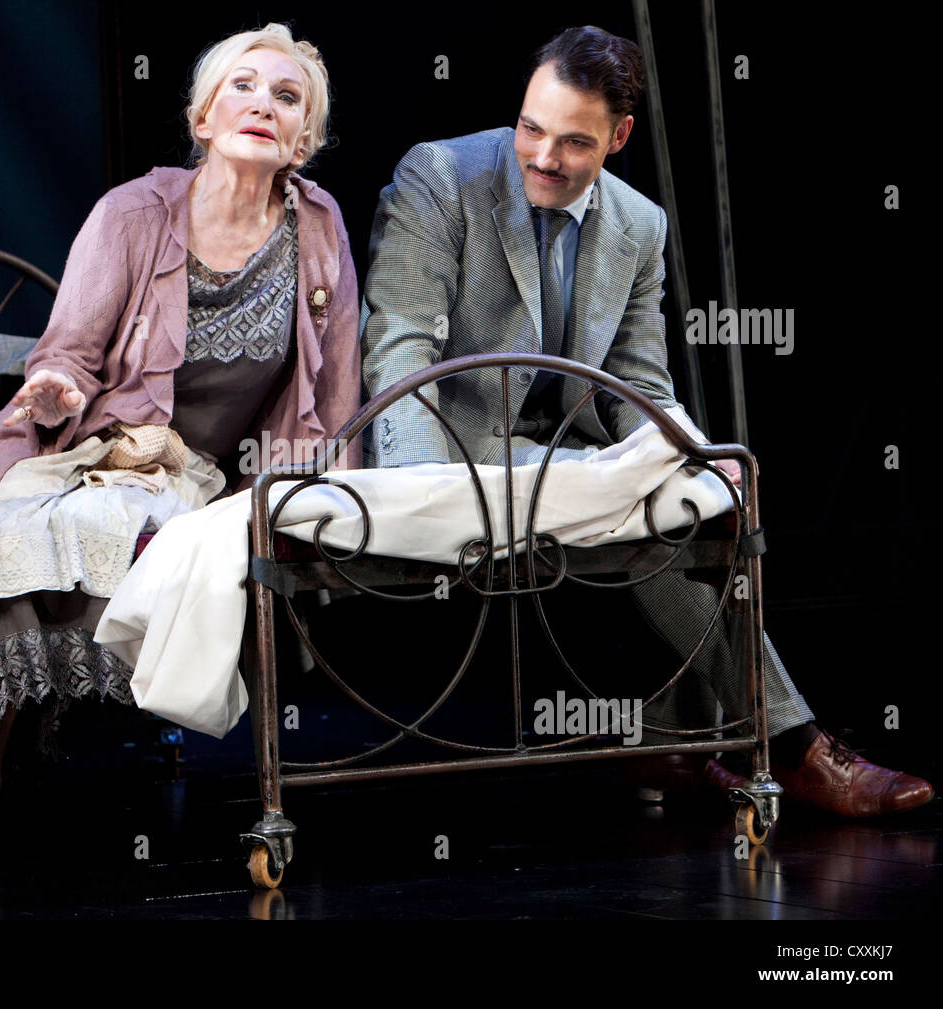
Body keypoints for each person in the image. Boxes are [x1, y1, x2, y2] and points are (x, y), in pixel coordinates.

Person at [360, 25, 933, 817]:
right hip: (460, 452)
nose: (543, 157)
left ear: (620, 137)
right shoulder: (440, 175)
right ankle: (784, 746)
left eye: (573, 141)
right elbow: (400, 354)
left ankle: (675, 734)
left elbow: (639, 385)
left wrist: (691, 453)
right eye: (531, 128)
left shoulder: (639, 223)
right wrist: (423, 489)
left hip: (574, 460)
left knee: (699, 498)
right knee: (637, 498)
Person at [0, 23, 361, 866]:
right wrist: (56, 383)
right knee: (14, 533)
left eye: (286, 98)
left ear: (303, 140)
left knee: (141, 538)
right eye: (242, 87)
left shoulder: (317, 228)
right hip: (92, 442)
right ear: (202, 117)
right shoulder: (135, 212)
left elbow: (336, 383)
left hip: (210, 477)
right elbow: (69, 348)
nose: (262, 105)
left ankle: (27, 737)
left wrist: (330, 487)